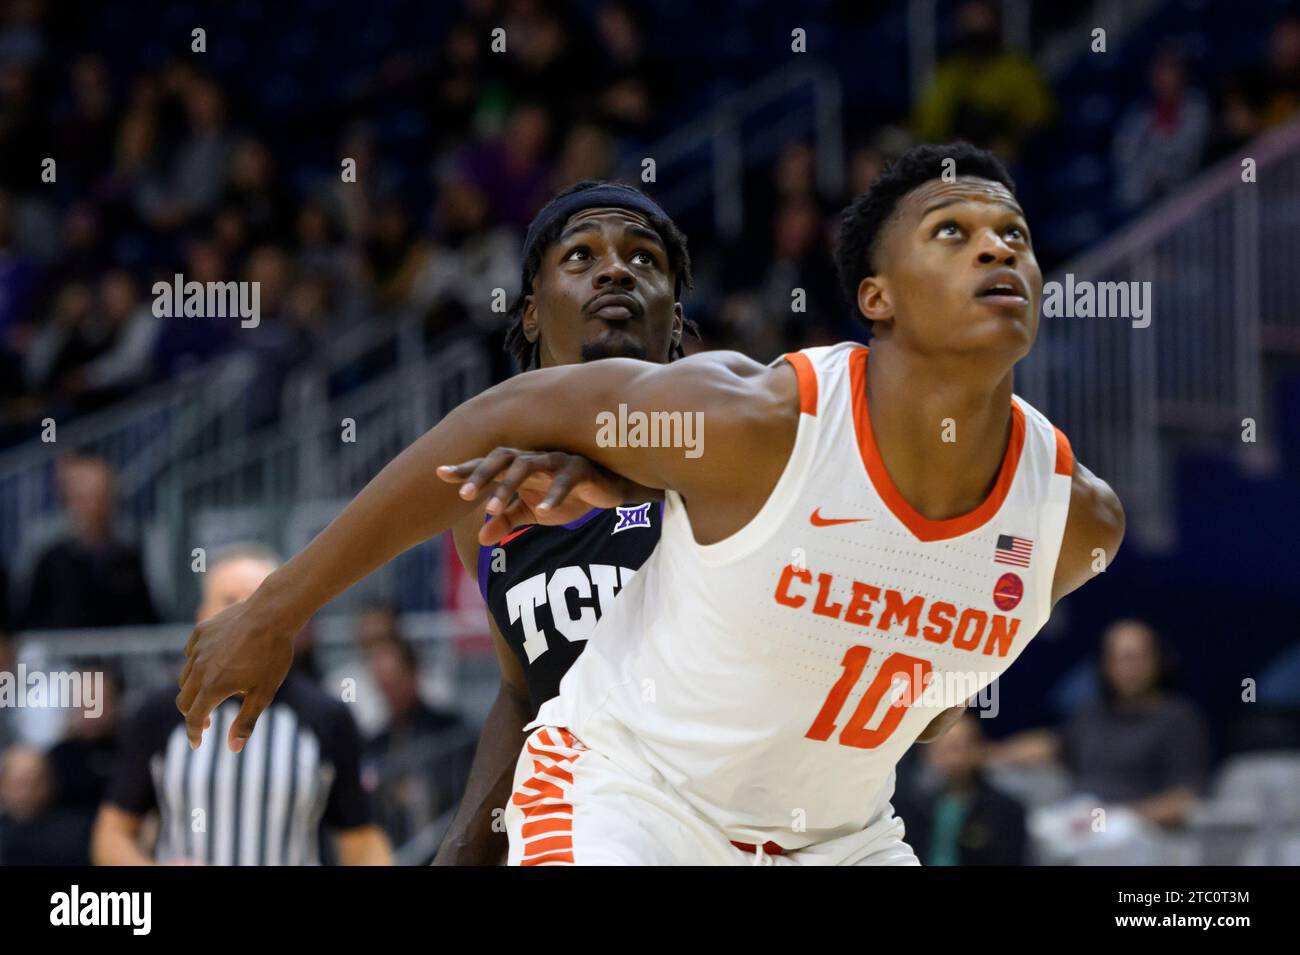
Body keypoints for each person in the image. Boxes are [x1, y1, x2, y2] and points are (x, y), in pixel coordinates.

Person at [178, 143, 1125, 866]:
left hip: (837, 835)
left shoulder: (1072, 527)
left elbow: (924, 710)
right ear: (875, 296)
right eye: (953, 232)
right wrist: (277, 609)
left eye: (1015, 236)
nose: (1000, 246)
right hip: (634, 798)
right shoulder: (745, 426)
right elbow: (522, 670)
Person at [433, 179, 696, 865]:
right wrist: (461, 847)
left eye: (644, 258)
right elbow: (524, 688)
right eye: (580, 256)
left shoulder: (721, 455)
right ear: (529, 313)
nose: (615, 268)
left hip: (741, 812)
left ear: (674, 321)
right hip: (589, 820)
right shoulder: (486, 503)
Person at [93, 543, 390, 865]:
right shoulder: (159, 713)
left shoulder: (327, 716)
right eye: (229, 602)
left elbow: (361, 840)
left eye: (257, 603)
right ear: (202, 617)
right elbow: (111, 835)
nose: (242, 617)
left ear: (285, 617)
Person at [987, 618, 1208, 826]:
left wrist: (1119, 817)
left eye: (1135, 658)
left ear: (1158, 661)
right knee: (1036, 827)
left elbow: (1183, 798)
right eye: (1118, 659)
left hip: (1138, 828)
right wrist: (980, 755)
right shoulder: (1089, 713)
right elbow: (1050, 746)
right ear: (1105, 665)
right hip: (1079, 816)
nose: (1127, 668)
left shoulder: (1179, 718)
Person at [892, 713, 1028, 866]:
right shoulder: (905, 804)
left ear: (979, 749)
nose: (952, 758)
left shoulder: (1006, 811)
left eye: (959, 747)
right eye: (944, 748)